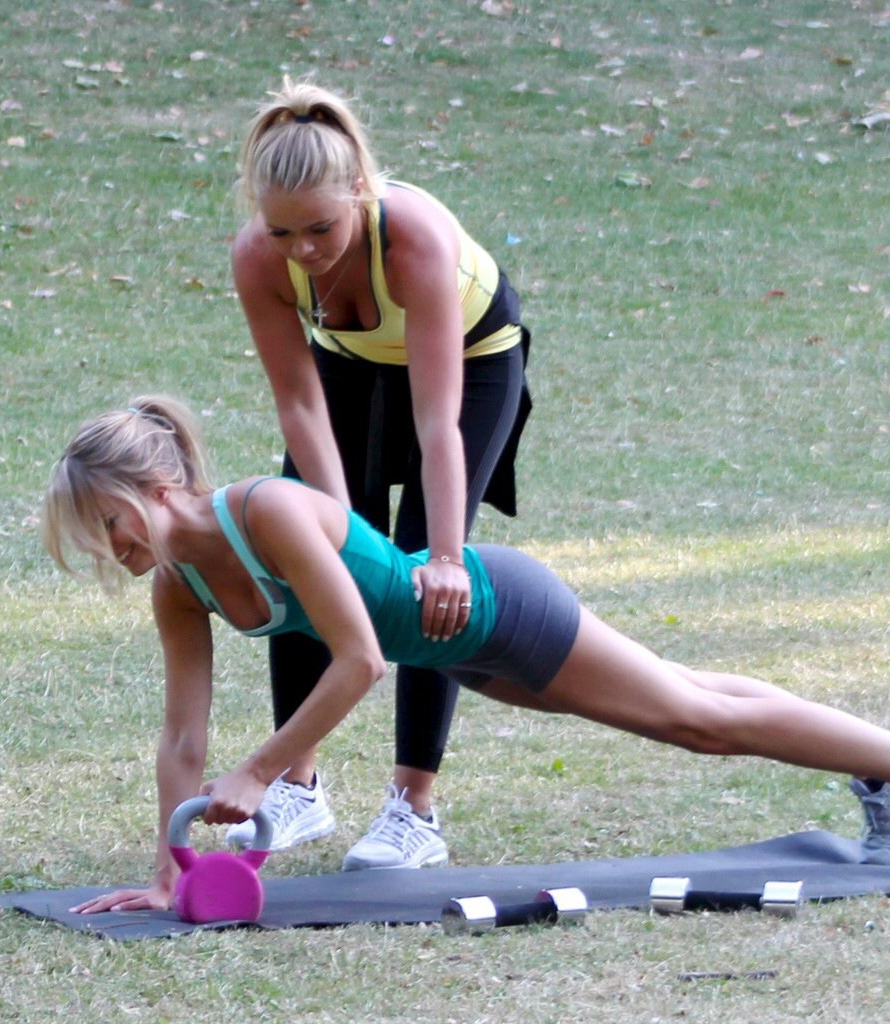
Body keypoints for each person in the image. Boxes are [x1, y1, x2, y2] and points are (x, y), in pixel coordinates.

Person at [45, 398, 890, 914]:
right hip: (477, 653)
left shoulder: (266, 508)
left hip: (502, 607)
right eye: (99, 541)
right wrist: (174, 871)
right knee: (693, 698)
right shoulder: (183, 585)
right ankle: (887, 767)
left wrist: (261, 770)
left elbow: (359, 661)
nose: (114, 552)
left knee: (698, 723)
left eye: (114, 524)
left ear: (159, 483)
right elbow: (182, 733)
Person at [226, 78, 534, 870]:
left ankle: (413, 808)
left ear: (360, 192)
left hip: (471, 359)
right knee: (293, 553)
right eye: (283, 229)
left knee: (426, 582)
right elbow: (298, 404)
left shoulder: (416, 240)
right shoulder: (261, 256)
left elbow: (437, 423)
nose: (302, 249)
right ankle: (296, 787)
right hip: (349, 365)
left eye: (320, 229)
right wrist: (329, 533)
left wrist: (442, 554)